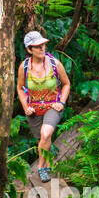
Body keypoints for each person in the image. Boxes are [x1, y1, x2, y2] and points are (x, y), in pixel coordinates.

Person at [17, 30, 70, 183]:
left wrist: (61, 102)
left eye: (43, 45)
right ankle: (47, 161)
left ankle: (41, 167)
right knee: (43, 139)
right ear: (29, 50)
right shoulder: (24, 67)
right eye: (37, 46)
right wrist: (25, 106)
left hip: (53, 106)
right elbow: (20, 88)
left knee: (46, 134)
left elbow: (66, 84)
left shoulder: (55, 63)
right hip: (34, 110)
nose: (42, 49)